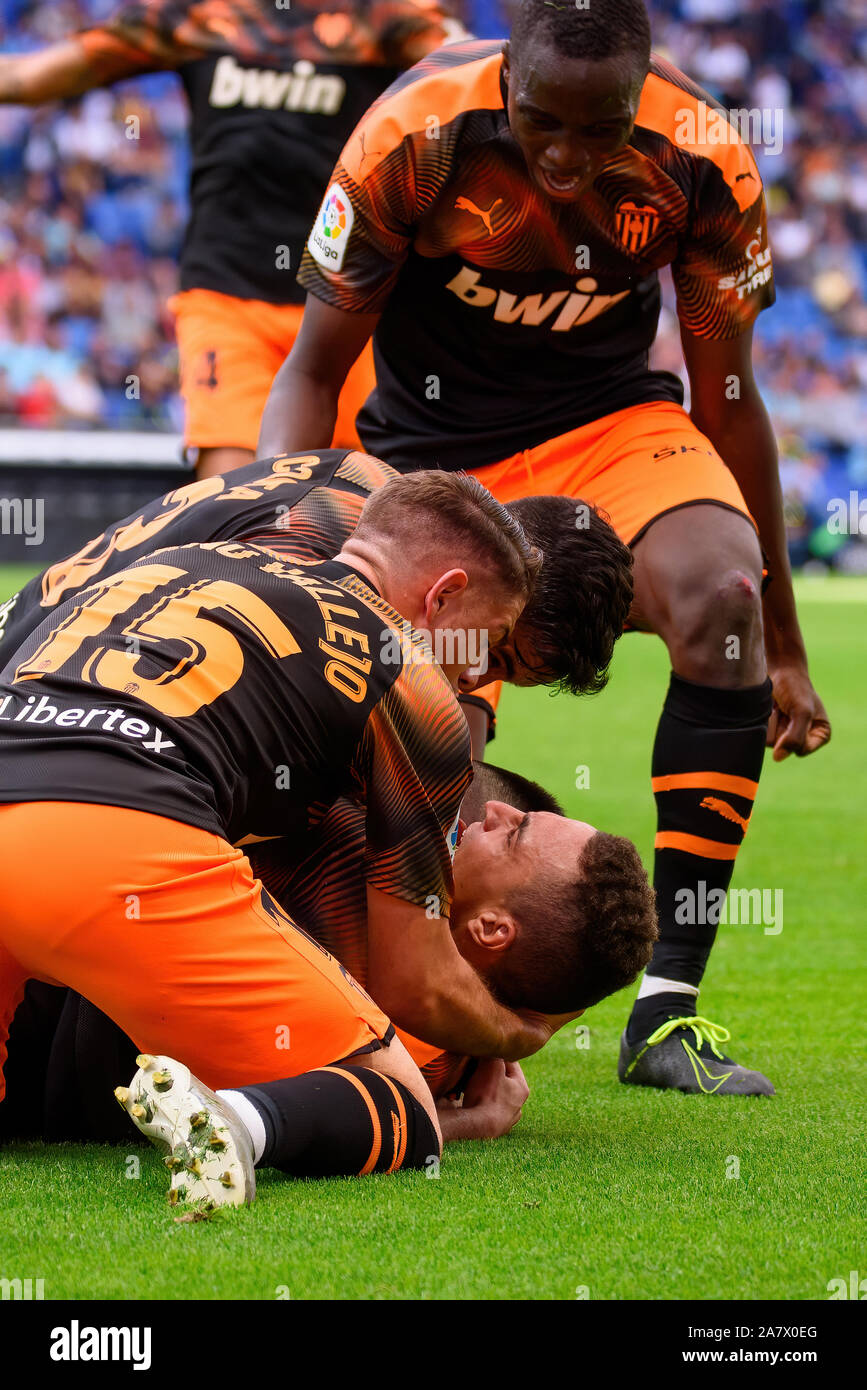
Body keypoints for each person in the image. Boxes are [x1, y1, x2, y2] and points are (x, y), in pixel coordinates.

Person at [256, 0, 831, 1094]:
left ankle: (669, 1014)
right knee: (429, 767)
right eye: (539, 124)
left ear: (645, 92)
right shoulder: (411, 136)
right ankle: (394, 1009)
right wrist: (287, 552)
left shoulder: (704, 158)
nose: (566, 160)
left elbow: (731, 398)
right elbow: (312, 372)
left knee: (719, 597)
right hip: (431, 458)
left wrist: (784, 639)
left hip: (607, 427)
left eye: (600, 129)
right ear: (503, 73)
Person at [0, 472, 559, 1203]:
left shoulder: (189, 559)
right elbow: (412, 981)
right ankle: (234, 1120)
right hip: (115, 832)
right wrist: (512, 1032)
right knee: (399, 1106)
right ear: (443, 594)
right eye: (484, 643)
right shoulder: (413, 681)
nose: (472, 675)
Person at [1, 762, 657, 1207]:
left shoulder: (406, 1045)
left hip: (38, 1016)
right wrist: (480, 1101)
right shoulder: (438, 1045)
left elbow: (355, 1108)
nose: (495, 808)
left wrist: (459, 1119)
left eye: (512, 834)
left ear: (490, 930)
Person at [0, 0, 465, 475]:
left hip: (355, 306)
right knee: (237, 502)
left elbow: (481, 72)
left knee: (367, 500)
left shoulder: (382, 17)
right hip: (226, 297)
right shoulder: (195, 16)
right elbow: (25, 79)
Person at [0, 449, 635, 734]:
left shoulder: (373, 501)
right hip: (31, 705)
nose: (473, 678)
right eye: (497, 650)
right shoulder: (335, 551)